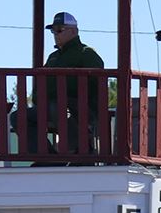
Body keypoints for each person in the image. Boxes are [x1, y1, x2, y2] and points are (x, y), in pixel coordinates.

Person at [17, 13, 104, 156]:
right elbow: (41, 80)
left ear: (74, 31)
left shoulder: (86, 53)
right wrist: (38, 98)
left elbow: (96, 81)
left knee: (58, 106)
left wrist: (72, 93)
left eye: (59, 30)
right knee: (19, 116)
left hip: (80, 107)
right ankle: (47, 156)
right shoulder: (53, 57)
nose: (55, 34)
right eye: (53, 31)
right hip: (53, 107)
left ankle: (81, 149)